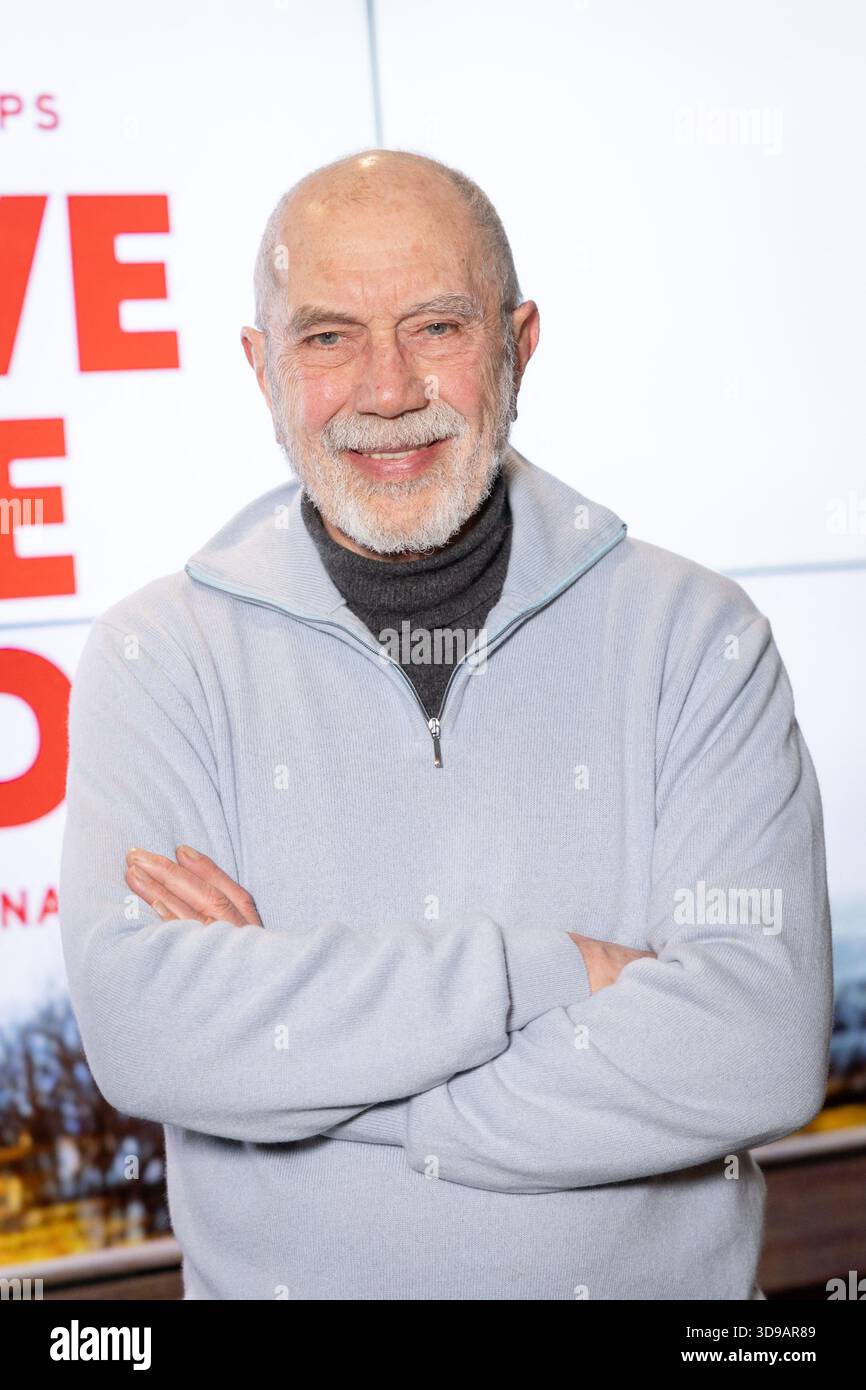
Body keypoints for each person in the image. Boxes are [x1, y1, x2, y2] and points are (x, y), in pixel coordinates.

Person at [59, 149, 833, 1300]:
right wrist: (544, 971)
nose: (385, 390)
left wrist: (308, 1097)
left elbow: (753, 1048)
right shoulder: (158, 658)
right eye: (326, 336)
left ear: (517, 345)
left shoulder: (694, 636)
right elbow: (147, 1032)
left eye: (435, 326)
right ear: (260, 367)